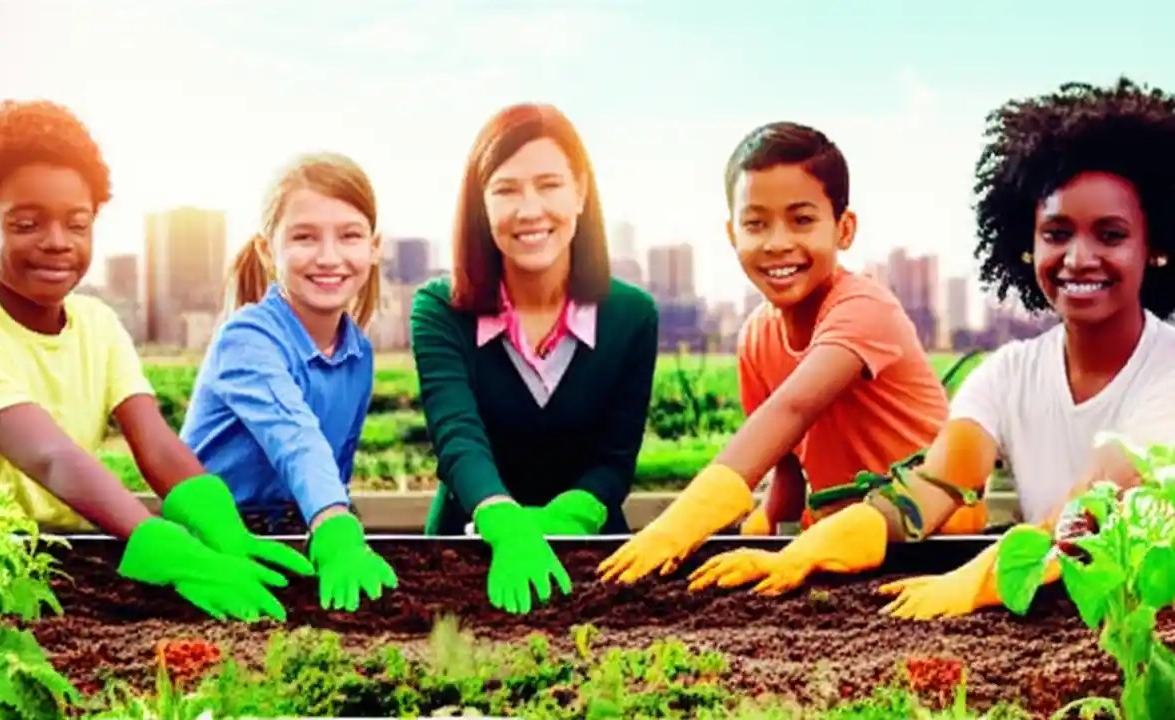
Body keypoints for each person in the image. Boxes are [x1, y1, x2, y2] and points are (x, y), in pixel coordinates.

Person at [691, 77, 1175, 613]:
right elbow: (926, 491)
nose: (1079, 258)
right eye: (1057, 234)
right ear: (1025, 243)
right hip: (1058, 616)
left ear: (1155, 248)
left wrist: (970, 585)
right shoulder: (1006, 374)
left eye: (1110, 235)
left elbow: (1089, 508)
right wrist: (802, 554)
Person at [0, 99, 311, 622]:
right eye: (27, 223)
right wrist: (161, 544)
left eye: (77, 224)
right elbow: (49, 454)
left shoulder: (97, 323)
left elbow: (155, 441)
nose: (57, 242)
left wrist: (222, 528)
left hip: (65, 555)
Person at [599, 121, 956, 586]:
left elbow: (793, 408)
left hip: (932, 542)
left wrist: (679, 524)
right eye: (756, 224)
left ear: (844, 228)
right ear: (732, 233)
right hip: (826, 553)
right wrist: (763, 525)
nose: (777, 242)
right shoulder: (757, 337)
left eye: (802, 220)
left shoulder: (864, 308)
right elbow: (785, 466)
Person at [409, 103, 659, 614]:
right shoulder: (439, 309)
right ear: (481, 204)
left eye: (549, 185)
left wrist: (568, 519)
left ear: (581, 192)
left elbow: (614, 460)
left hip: (591, 565)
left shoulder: (632, 316)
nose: (529, 209)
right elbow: (456, 436)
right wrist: (503, 520)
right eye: (506, 189)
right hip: (465, 559)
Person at [181, 153, 398, 613]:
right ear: (267, 250)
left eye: (350, 236)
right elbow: (295, 437)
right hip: (220, 550)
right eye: (304, 237)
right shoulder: (246, 338)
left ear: (374, 246)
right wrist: (337, 528)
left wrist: (336, 533)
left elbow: (333, 470)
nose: (328, 257)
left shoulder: (358, 353)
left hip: (300, 540)